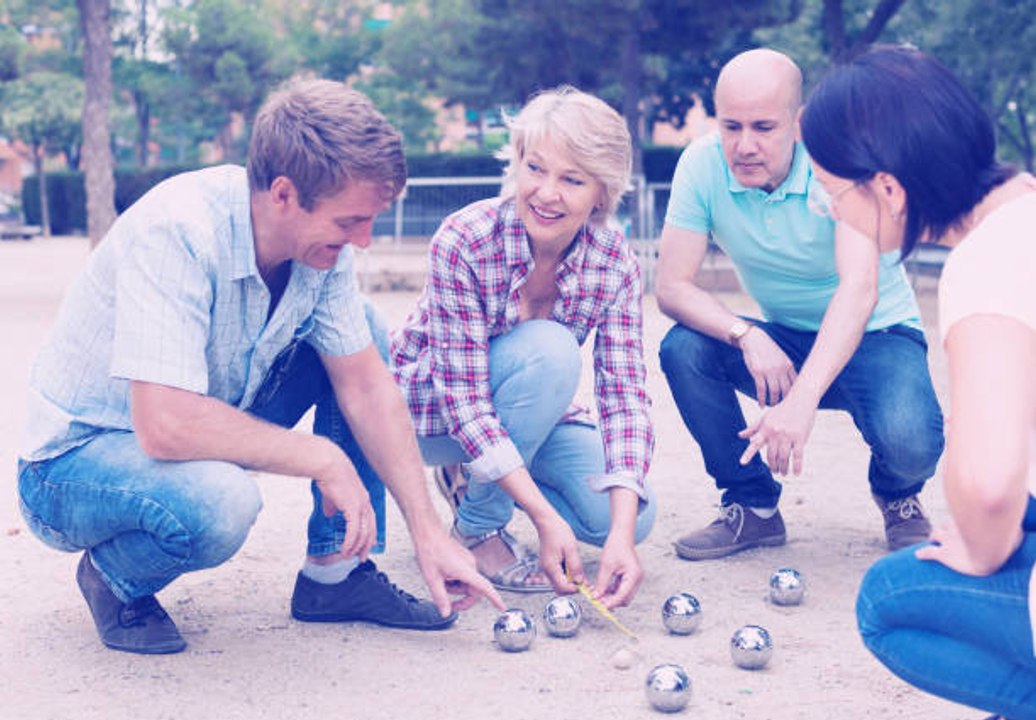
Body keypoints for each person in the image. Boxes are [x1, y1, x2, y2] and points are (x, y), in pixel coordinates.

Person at [16, 79, 504, 655]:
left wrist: (428, 533)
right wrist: (322, 458)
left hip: (198, 419)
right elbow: (166, 424)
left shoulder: (319, 249)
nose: (365, 241)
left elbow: (368, 388)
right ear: (282, 194)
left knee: (364, 335)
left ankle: (336, 577)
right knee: (220, 503)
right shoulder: (177, 231)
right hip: (73, 466)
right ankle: (116, 580)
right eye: (350, 222)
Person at [801, 45, 1036, 720]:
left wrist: (980, 545)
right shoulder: (1024, 206)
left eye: (831, 193)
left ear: (889, 190)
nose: (830, 212)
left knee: (889, 603)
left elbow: (991, 487)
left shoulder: (986, 265)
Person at [654, 48, 944, 560]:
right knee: (684, 348)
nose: (744, 145)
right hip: (784, 334)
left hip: (878, 333)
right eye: (731, 126)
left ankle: (899, 497)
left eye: (764, 127)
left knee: (911, 439)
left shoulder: (841, 161)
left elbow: (859, 289)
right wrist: (748, 334)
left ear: (799, 123)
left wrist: (803, 398)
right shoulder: (700, 165)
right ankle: (752, 506)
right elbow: (672, 286)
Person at [390, 86, 656, 608]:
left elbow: (625, 398)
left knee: (630, 514)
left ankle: (480, 476)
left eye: (572, 180)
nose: (546, 193)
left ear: (602, 193)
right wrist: (543, 517)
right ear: (516, 164)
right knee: (551, 351)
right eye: (535, 169)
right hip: (428, 414)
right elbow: (463, 401)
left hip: (524, 410)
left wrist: (620, 538)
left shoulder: (616, 263)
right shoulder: (465, 239)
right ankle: (478, 528)